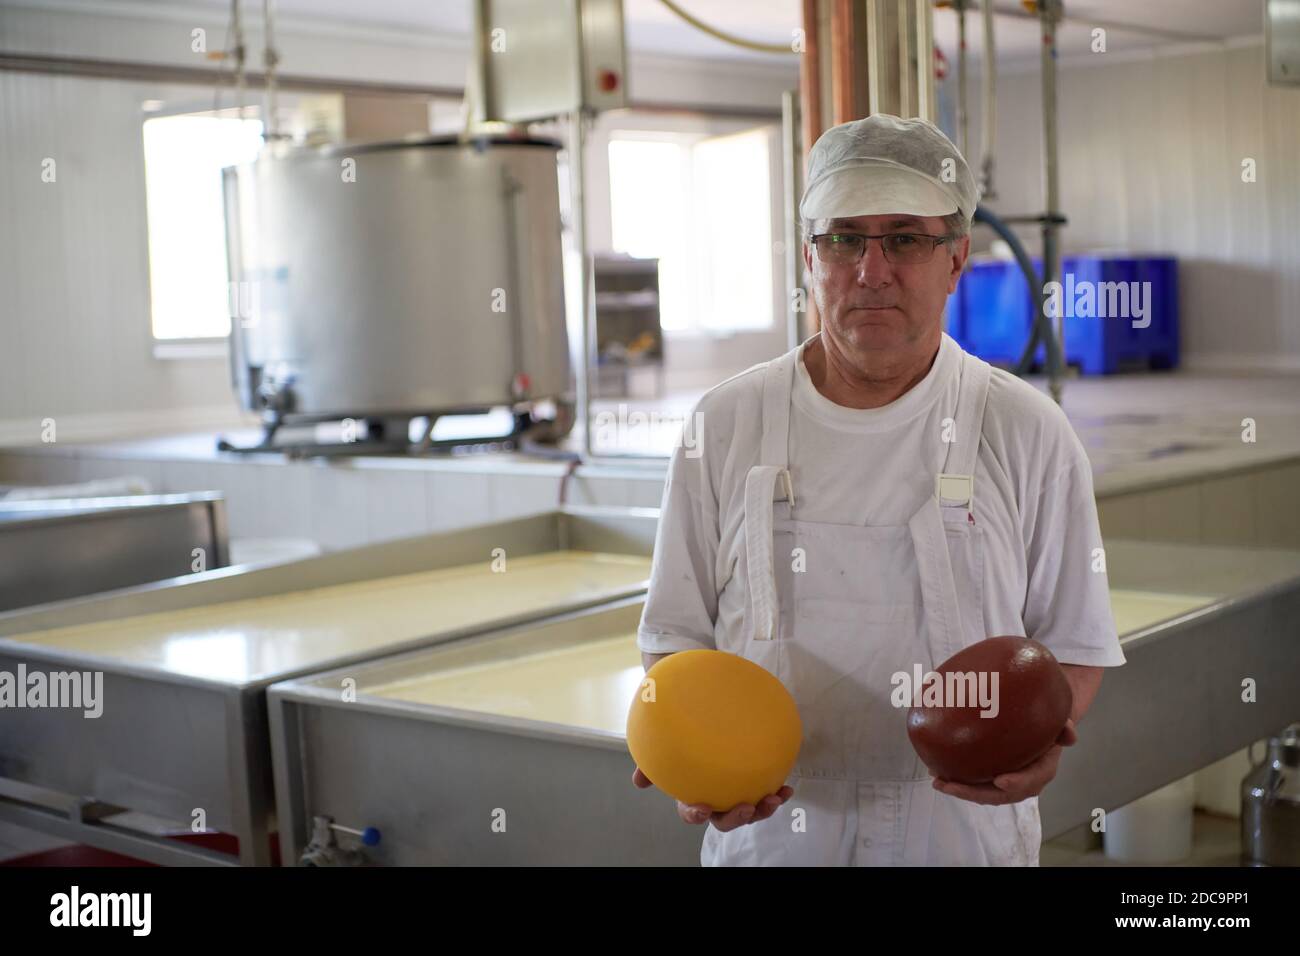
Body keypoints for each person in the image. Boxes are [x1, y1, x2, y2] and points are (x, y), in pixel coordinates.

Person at [632, 113, 1125, 866]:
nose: (871, 269)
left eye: (904, 237)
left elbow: (1073, 647)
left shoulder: (1026, 429)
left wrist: (1031, 743)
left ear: (956, 258)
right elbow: (674, 636)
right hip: (775, 829)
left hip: (956, 830)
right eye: (842, 238)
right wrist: (691, 753)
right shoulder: (726, 423)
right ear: (807, 255)